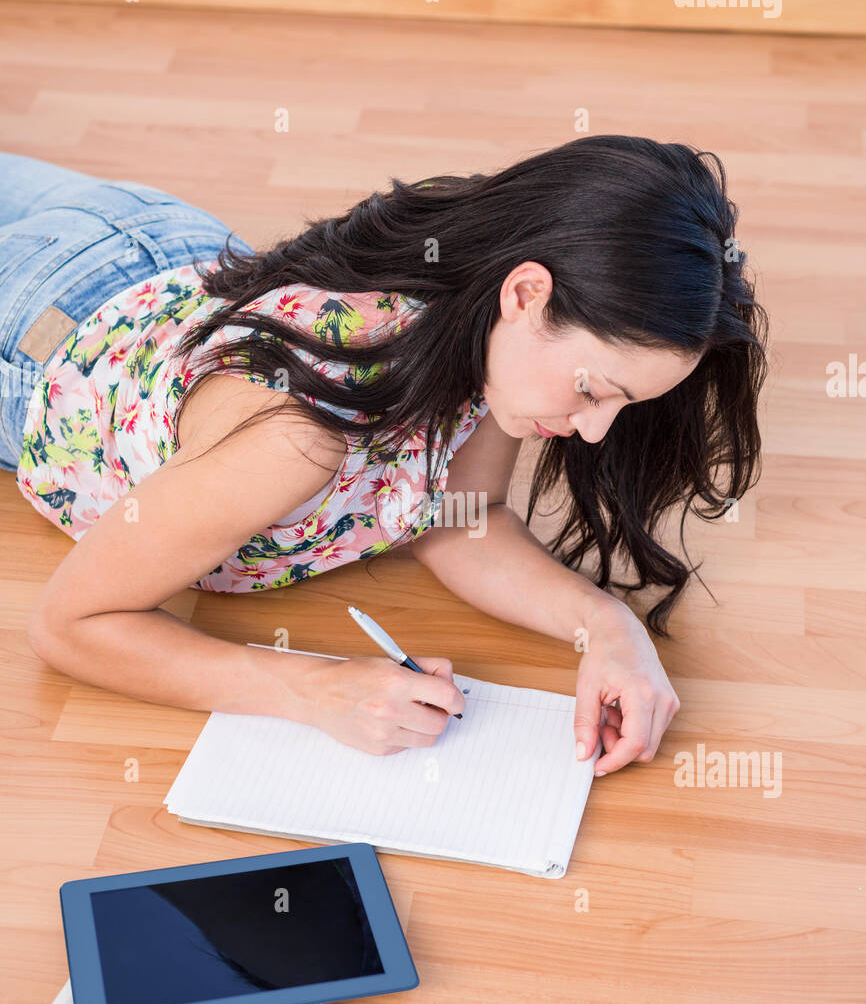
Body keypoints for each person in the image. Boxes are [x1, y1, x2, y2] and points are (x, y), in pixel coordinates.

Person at [0, 138, 767, 771]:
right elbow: (70, 624)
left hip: (158, 246)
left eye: (624, 404)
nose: (596, 430)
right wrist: (311, 690)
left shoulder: (489, 336)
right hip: (35, 325)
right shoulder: (292, 441)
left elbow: (462, 516)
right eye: (595, 390)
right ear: (528, 295)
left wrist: (608, 630)